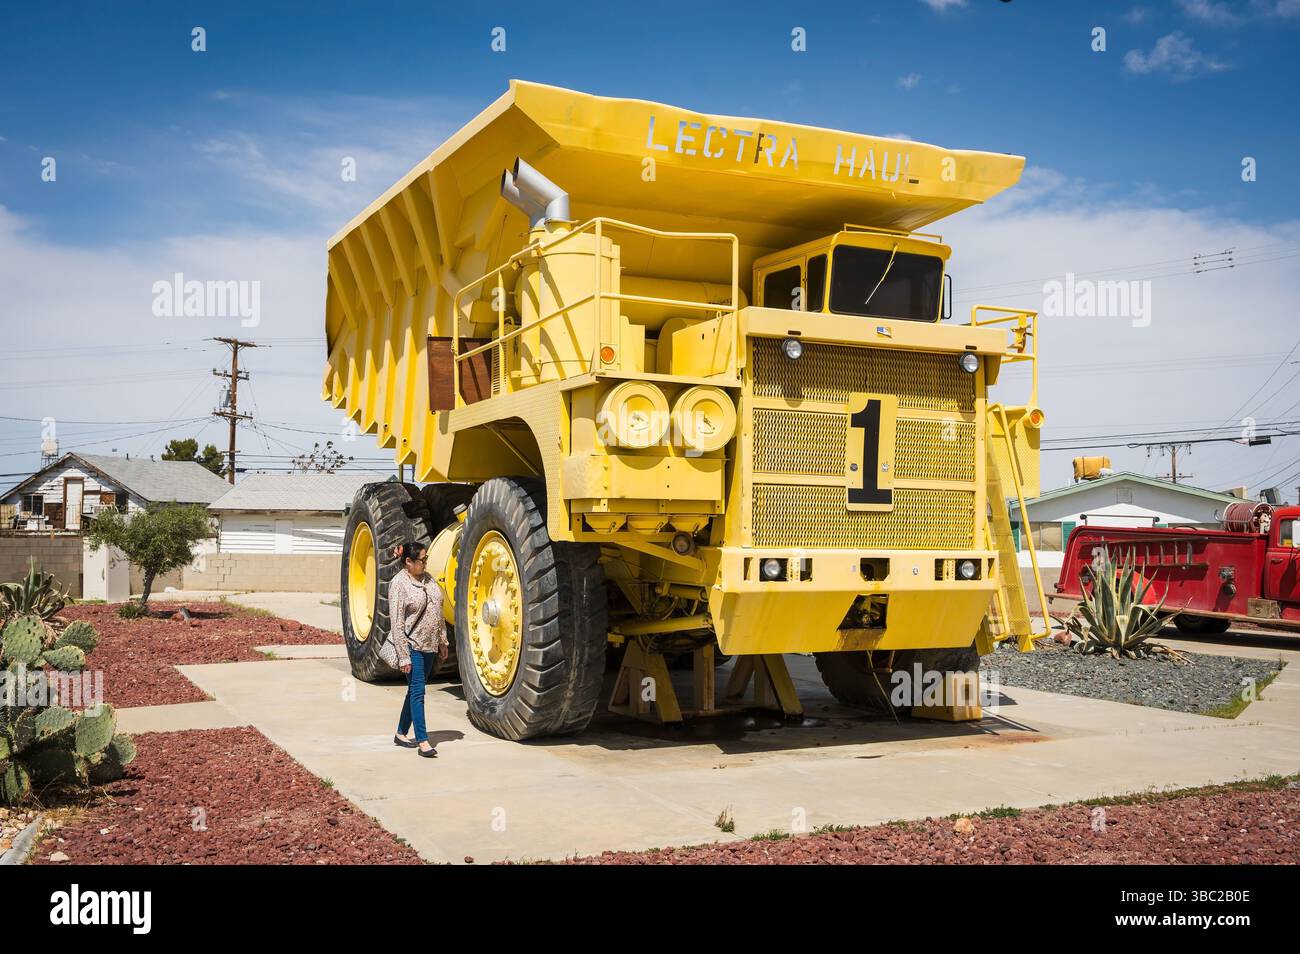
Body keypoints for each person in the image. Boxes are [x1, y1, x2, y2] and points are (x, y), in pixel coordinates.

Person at [390, 541, 449, 758]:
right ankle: (423, 740)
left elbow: (438, 610)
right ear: (408, 562)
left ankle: (400, 732)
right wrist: (403, 656)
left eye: (426, 559)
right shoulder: (398, 584)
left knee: (414, 689)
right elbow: (396, 623)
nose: (425, 563)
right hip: (412, 646)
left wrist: (442, 641)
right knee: (418, 692)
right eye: (421, 560)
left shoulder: (428, 579)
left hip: (430, 646)